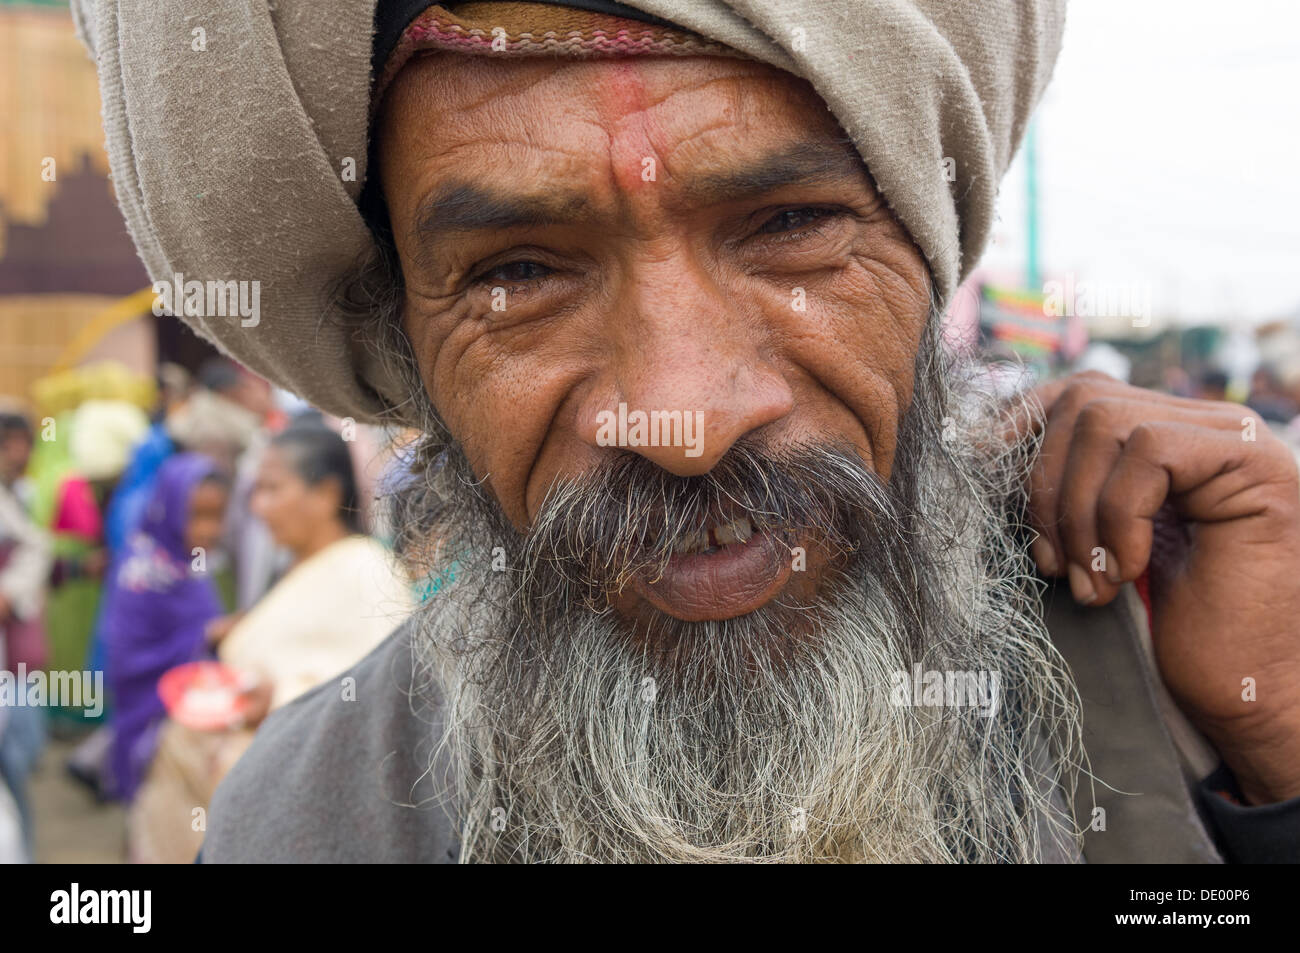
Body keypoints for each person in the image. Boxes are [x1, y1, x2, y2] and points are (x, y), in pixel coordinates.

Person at [76, 0, 1300, 863]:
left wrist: (1277, 761)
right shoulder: (308, 818)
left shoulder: (1181, 687)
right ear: (403, 334)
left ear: (927, 253)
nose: (690, 420)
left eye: (786, 227)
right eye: (519, 271)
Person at [128, 423, 412, 862]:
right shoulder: (299, 568)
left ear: (326, 493)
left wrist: (277, 698)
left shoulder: (367, 571)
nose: (257, 507)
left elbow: (386, 693)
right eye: (255, 491)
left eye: (273, 488)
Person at [102, 454, 229, 802]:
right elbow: (126, 660)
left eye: (217, 517)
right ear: (169, 509)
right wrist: (204, 637)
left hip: (193, 725)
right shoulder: (141, 576)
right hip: (150, 723)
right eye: (197, 516)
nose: (209, 529)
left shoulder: (191, 565)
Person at [0, 411, 51, 860]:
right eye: (7, 444)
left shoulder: (19, 496)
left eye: (23, 443)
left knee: (17, 755)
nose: (18, 454)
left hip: (15, 653)